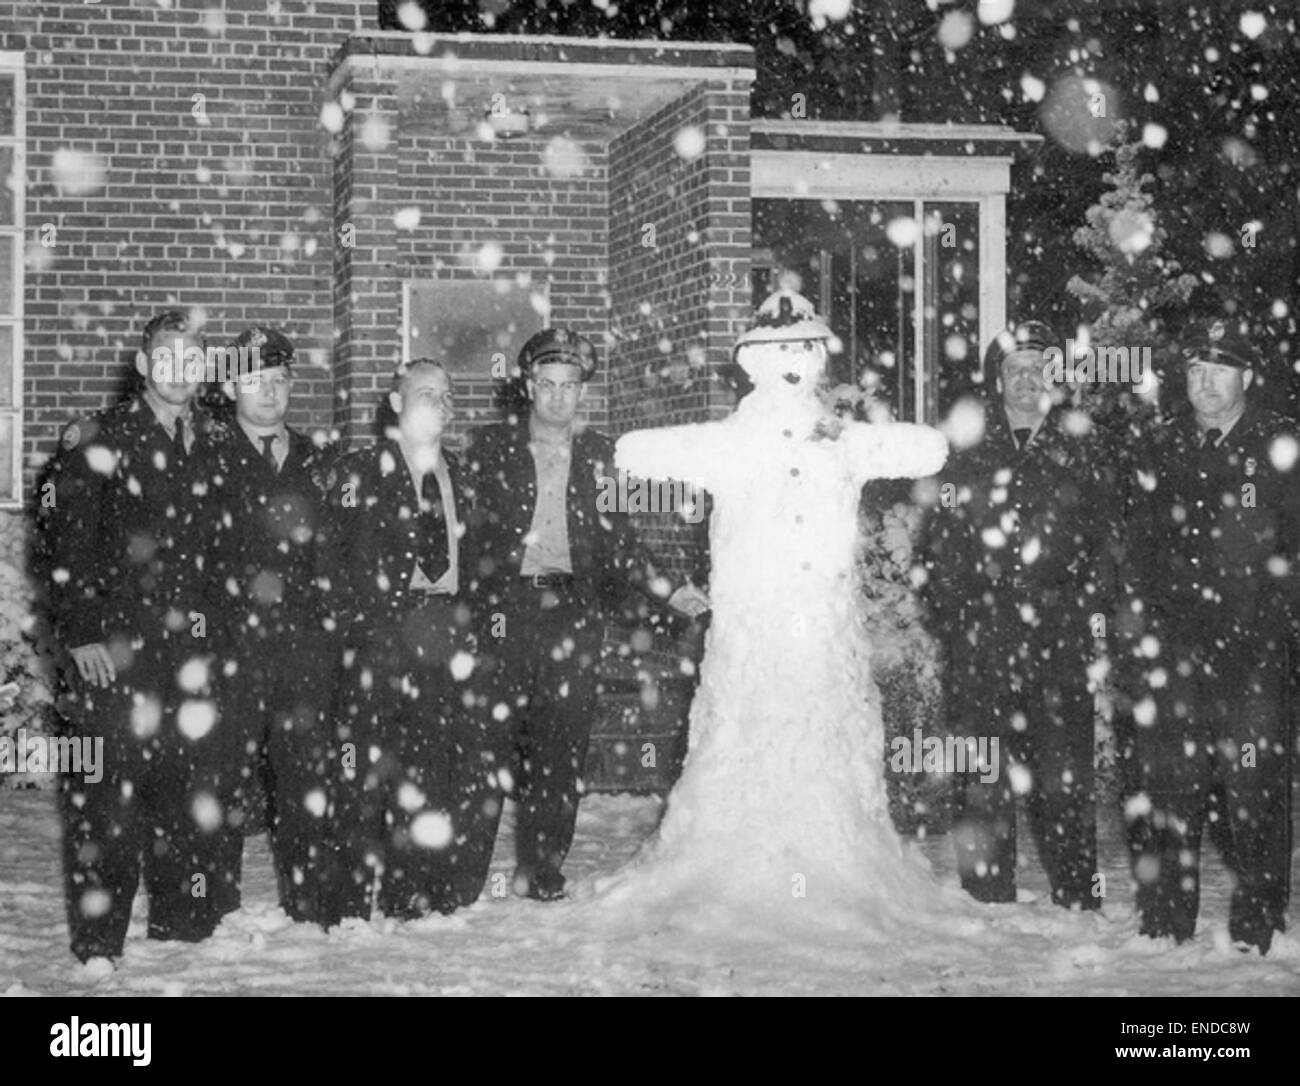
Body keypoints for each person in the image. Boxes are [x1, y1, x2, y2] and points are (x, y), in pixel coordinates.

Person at [467, 328, 707, 902]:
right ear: (528, 386)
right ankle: (465, 877)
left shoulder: (603, 456)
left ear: (581, 393)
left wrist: (671, 591)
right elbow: (467, 539)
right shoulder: (491, 449)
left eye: (568, 387)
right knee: (485, 747)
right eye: (546, 385)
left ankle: (544, 873)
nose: (557, 398)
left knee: (559, 749)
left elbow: (622, 542)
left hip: (573, 614)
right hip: (505, 613)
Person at [37, 309, 241, 963]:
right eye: (168, 358)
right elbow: (68, 546)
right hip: (117, 651)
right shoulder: (98, 435)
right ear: (146, 366)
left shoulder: (212, 439)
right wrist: (84, 635)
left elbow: (221, 554)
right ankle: (99, 942)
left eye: (193, 359)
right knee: (109, 802)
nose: (181, 371)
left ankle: (180, 929)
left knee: (187, 792)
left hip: (191, 651)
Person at [1121, 318, 1298, 954]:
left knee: (1253, 790)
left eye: (1221, 370)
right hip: (1175, 652)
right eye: (1197, 370)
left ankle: (1257, 926)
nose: (1207, 383)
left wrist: (1273, 626)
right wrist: (1137, 634)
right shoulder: (1161, 446)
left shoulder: (1281, 443)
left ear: (1246, 375)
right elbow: (1137, 548)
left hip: (1252, 654)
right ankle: (1166, 920)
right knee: (1170, 786)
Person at [925, 321, 1115, 910]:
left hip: (1058, 639)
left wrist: (1083, 611)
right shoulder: (965, 450)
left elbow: (1108, 542)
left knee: (1064, 775)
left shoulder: (1083, 443)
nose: (1028, 380)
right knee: (983, 771)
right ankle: (986, 891)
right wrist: (959, 618)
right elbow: (940, 545)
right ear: (997, 380)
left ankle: (1076, 894)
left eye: (1039, 369)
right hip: (984, 637)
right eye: (1015, 370)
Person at [321, 358, 499, 921]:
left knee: (430, 772)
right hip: (380, 637)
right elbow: (328, 559)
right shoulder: (356, 472)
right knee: (362, 776)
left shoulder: (465, 476)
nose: (441, 405)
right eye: (426, 394)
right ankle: (348, 903)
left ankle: (411, 894)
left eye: (446, 396)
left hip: (444, 635)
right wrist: (359, 629)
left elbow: (483, 564)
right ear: (395, 404)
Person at [209, 326, 338, 924]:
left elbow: (333, 556)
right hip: (227, 647)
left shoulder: (316, 459)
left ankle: (312, 904)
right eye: (257, 380)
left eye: (281, 381)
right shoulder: (204, 454)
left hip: (301, 649)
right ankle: (209, 904)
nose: (269, 393)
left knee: (305, 774)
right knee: (218, 779)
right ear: (233, 383)